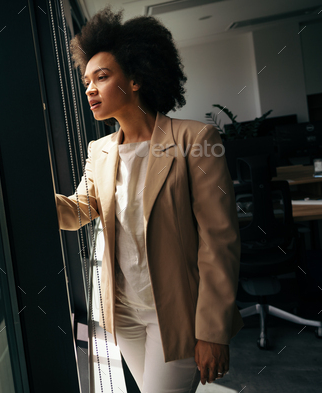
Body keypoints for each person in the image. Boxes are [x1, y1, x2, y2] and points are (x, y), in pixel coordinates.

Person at [55, 6, 243, 393]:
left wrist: (212, 330)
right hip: (122, 314)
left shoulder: (196, 140)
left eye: (102, 77)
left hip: (175, 314)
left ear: (136, 79)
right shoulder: (100, 150)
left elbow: (219, 242)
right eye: (87, 80)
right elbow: (76, 212)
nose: (90, 89)